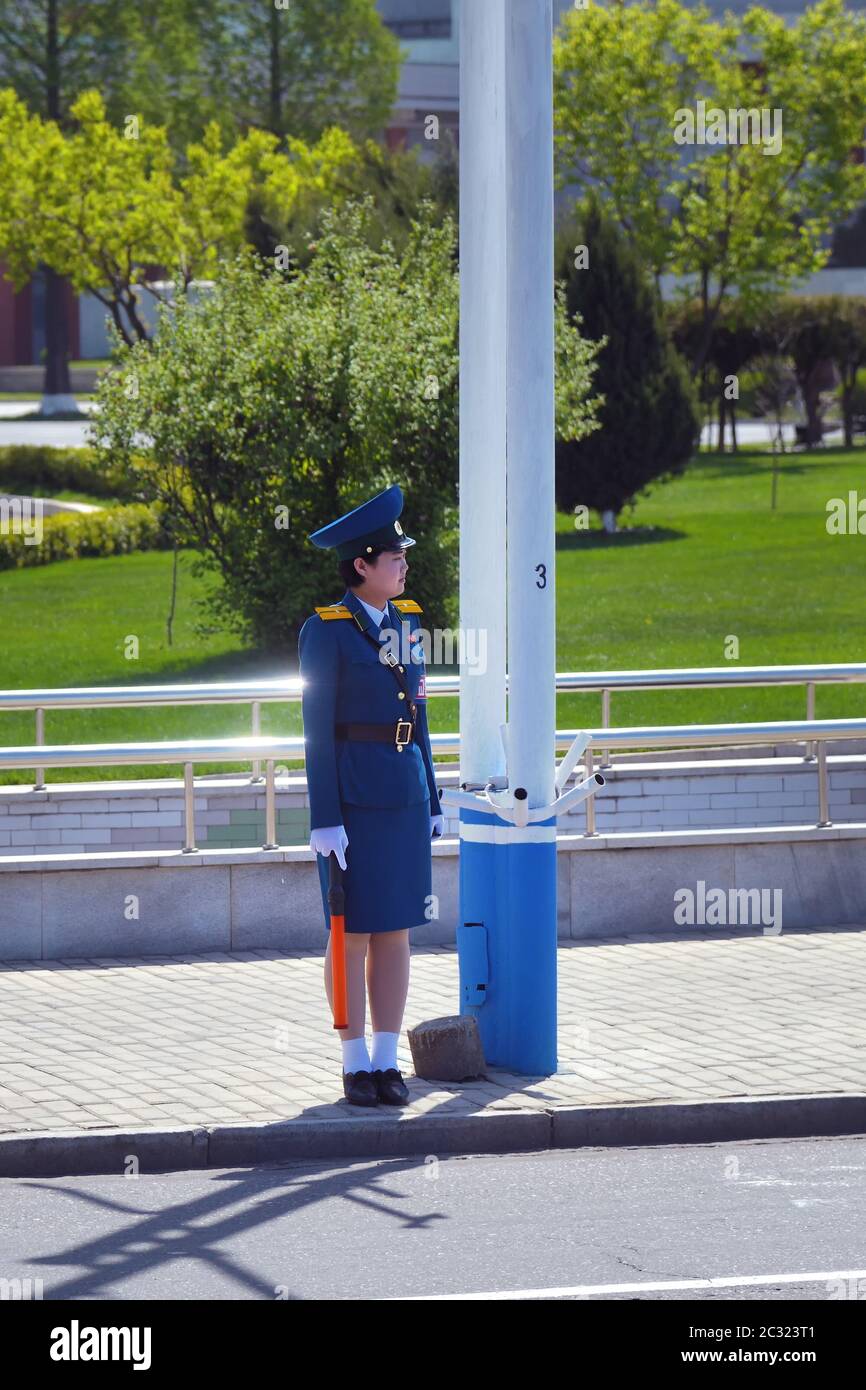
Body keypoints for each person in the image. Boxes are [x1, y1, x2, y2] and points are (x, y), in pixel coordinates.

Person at [298, 484, 444, 1108]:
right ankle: (353, 1063)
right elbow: (316, 731)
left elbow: (418, 714)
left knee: (396, 930)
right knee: (349, 933)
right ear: (361, 565)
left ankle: (388, 1063)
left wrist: (433, 794)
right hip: (353, 805)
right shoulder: (326, 631)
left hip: (404, 796)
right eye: (393, 557)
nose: (404, 564)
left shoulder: (407, 620)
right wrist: (325, 818)